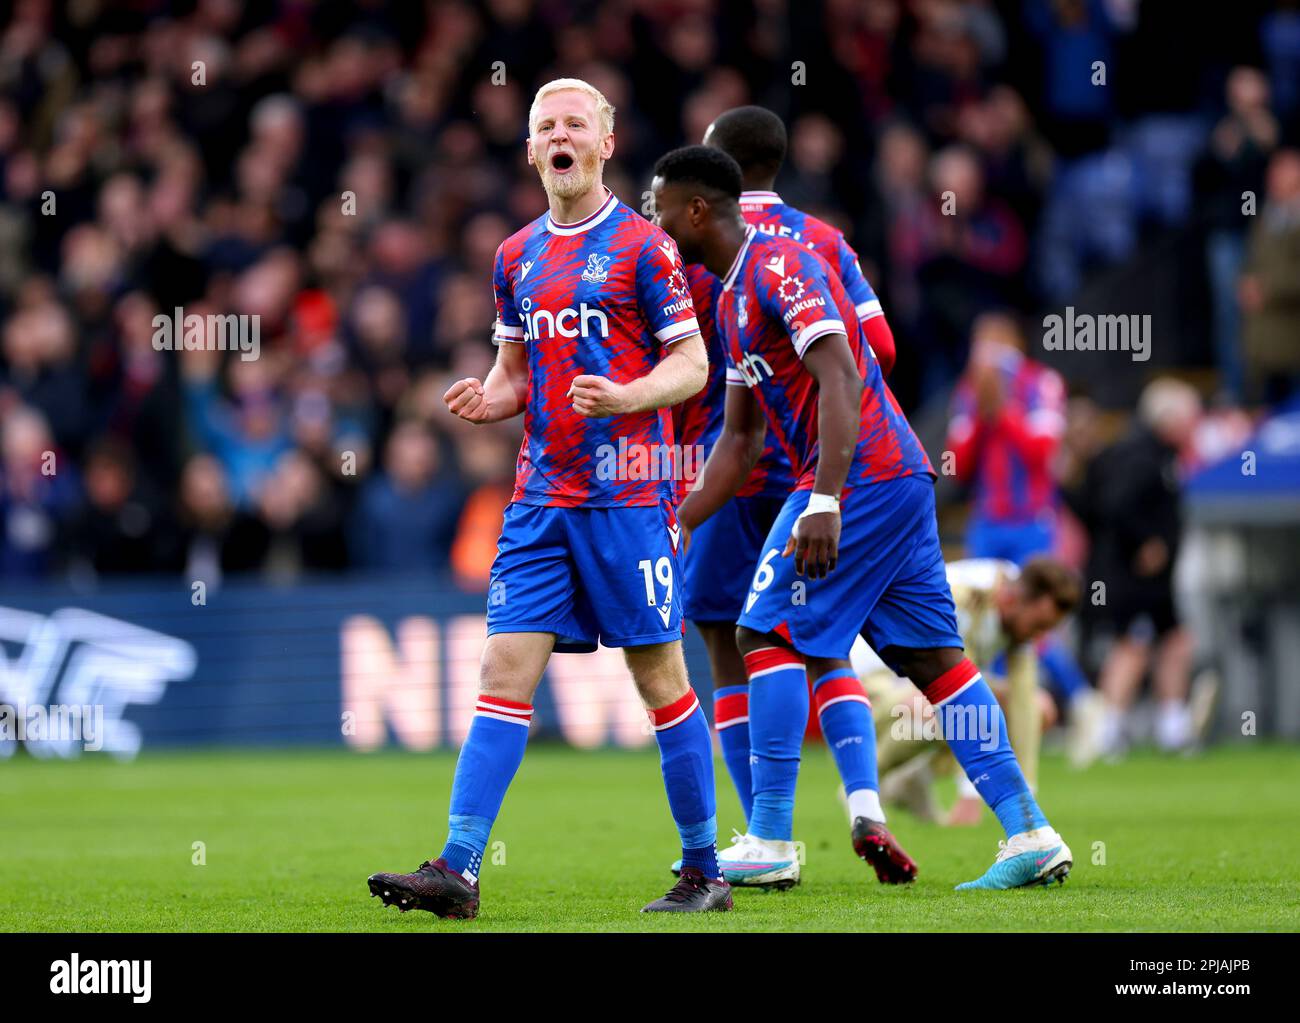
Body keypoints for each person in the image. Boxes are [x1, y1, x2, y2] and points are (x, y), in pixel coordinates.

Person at [653, 144, 1072, 891]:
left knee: (763, 629)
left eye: (659, 211)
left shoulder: (781, 264)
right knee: (935, 660)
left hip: (862, 475)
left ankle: (773, 836)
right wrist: (676, 516)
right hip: (891, 476)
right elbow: (741, 440)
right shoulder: (727, 298)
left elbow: (845, 372)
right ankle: (1030, 829)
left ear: (695, 210)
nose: (655, 229)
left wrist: (824, 497)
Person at [367, 79, 728, 917]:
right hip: (538, 497)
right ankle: (458, 867)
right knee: (502, 668)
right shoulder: (513, 257)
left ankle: (705, 868)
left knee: (659, 677)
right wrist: (491, 399)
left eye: (575, 123)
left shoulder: (646, 247)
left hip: (630, 498)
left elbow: (693, 365)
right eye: (545, 127)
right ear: (531, 152)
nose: (559, 135)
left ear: (605, 142)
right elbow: (515, 374)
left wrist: (629, 397)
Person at [672, 106, 892, 846]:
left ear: (714, 172)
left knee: (730, 639)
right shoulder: (824, 238)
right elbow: (878, 350)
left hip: (725, 456)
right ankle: (864, 803)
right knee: (820, 638)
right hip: (814, 461)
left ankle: (764, 831)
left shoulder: (687, 242)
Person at [852, 557, 1081, 826]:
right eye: (1039, 625)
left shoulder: (1018, 598)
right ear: (1012, 600)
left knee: (1039, 706)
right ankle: (862, 784)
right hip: (875, 681)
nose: (1039, 636)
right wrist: (970, 793)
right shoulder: (964, 597)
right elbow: (957, 697)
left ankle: (915, 778)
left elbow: (1023, 703)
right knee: (938, 711)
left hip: (921, 683)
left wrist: (1026, 798)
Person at [1070, 378, 1201, 758]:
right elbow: (1115, 506)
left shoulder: (1155, 453)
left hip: (1154, 580)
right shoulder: (1142, 456)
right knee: (1133, 646)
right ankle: (1107, 729)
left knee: (1174, 641)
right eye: (1188, 416)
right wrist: (1147, 541)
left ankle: (1173, 725)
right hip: (1133, 577)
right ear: (1168, 418)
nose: (1194, 423)